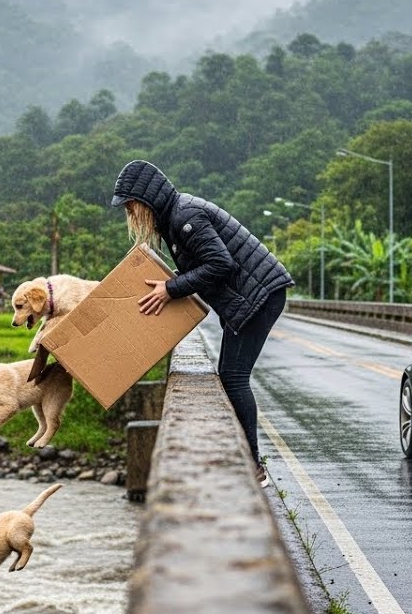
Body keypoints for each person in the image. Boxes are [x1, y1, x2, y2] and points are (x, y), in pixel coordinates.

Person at [110, 159, 294, 487]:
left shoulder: (184, 217)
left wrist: (171, 288)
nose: (130, 215)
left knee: (234, 378)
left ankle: (253, 466)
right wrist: (173, 283)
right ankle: (246, 459)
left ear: (145, 200)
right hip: (247, 298)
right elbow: (204, 266)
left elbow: (221, 263)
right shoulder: (174, 218)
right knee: (229, 376)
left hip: (259, 295)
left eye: (130, 206)